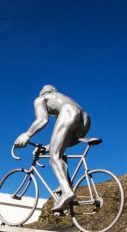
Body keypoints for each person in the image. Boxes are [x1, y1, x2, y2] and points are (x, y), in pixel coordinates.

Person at [14, 85, 91, 213]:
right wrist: (47, 147)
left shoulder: (40, 99)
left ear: (43, 93)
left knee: (54, 157)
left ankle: (67, 192)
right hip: (85, 119)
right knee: (58, 152)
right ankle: (65, 187)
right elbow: (61, 140)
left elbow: (42, 120)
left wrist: (27, 134)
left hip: (70, 112)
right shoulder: (62, 98)